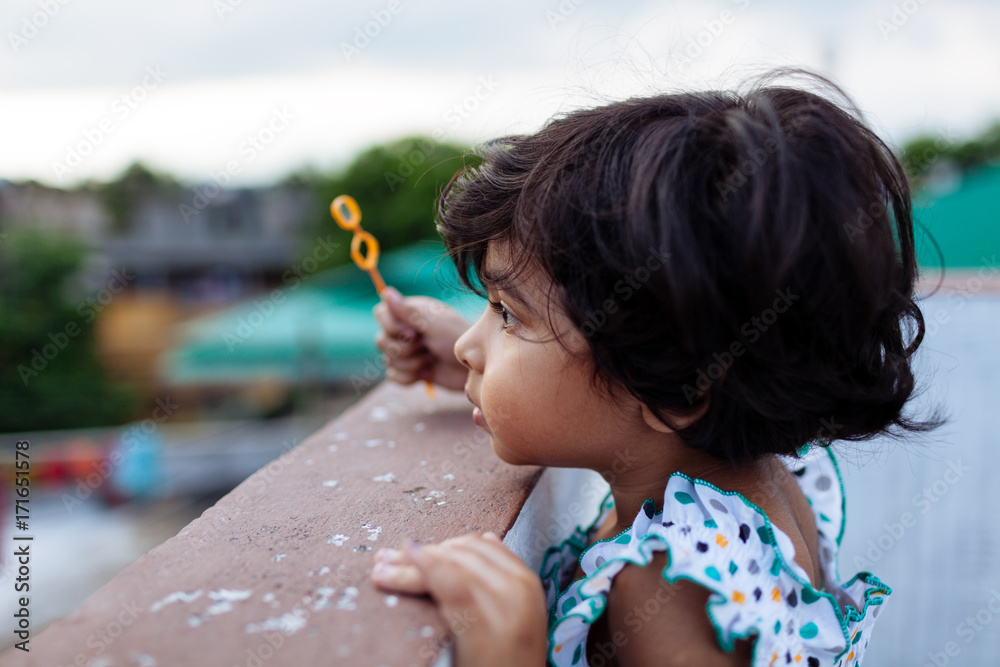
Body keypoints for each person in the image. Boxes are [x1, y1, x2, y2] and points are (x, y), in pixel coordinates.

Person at [368, 69, 940, 667]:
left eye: (507, 314)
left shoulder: (671, 586)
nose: (467, 347)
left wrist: (505, 654)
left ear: (673, 385)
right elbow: (586, 390)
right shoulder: (766, 476)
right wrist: (489, 355)